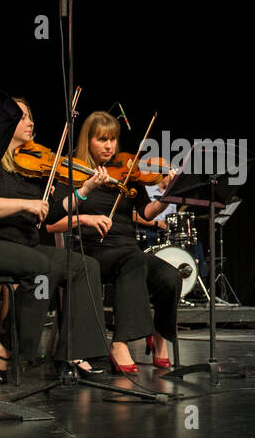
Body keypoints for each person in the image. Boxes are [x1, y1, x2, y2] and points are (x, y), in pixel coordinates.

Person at [0, 98, 111, 380]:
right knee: (41, 270)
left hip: (24, 245)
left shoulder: (31, 166)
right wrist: (22, 205)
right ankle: (7, 345)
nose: (30, 123)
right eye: (22, 117)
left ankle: (73, 353)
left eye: (30, 117)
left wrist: (85, 189)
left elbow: (51, 214)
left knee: (84, 266)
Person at [64, 111, 180, 373]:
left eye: (113, 139)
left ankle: (160, 337)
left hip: (128, 250)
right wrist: (87, 218)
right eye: (102, 139)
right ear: (88, 140)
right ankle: (120, 342)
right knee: (134, 259)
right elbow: (54, 221)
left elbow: (146, 212)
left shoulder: (127, 171)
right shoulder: (70, 169)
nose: (109, 146)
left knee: (170, 277)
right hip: (93, 251)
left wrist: (168, 194)